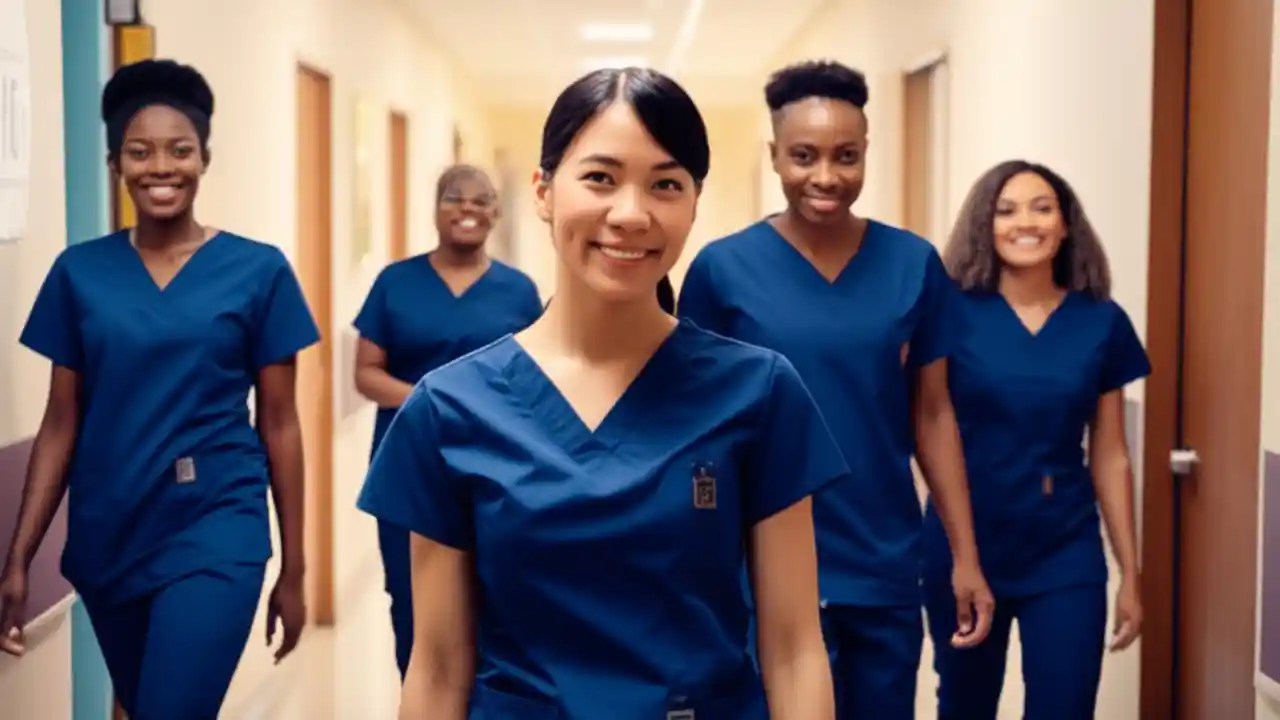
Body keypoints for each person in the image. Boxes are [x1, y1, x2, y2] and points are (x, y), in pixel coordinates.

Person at [357, 66, 843, 720]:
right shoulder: (450, 410)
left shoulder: (759, 393)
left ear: (695, 202)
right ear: (543, 190)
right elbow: (439, 666)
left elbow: (793, 649)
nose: (630, 213)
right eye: (600, 178)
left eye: (665, 184)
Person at [0, 59, 317, 718]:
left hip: (217, 525)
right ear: (116, 163)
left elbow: (280, 424)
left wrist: (295, 565)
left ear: (204, 158)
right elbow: (62, 422)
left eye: (180, 150)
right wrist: (19, 559)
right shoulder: (80, 274)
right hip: (110, 531)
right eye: (139, 152)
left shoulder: (258, 272)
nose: (161, 167)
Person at [678, 59, 994, 718]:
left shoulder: (912, 265)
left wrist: (964, 555)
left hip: (882, 562)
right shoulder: (722, 271)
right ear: (774, 156)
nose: (826, 176)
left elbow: (933, 415)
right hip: (761, 566)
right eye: (804, 155)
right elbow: (690, 426)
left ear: (866, 154)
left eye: (846, 156)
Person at [926, 160, 1147, 719]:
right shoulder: (949, 313)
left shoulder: (1100, 322)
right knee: (966, 707)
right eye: (1006, 210)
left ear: (1066, 224)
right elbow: (928, 424)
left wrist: (1130, 573)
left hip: (1064, 550)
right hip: (964, 547)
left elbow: (1111, 454)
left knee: (1066, 708)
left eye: (1042, 207)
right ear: (985, 224)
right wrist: (963, 559)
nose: (1026, 222)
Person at [353, 164, 542, 679]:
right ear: (435, 208)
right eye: (454, 198)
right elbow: (366, 374)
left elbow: (534, 382)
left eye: (481, 201)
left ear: (496, 214)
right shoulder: (396, 282)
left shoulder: (519, 292)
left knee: (493, 600)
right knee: (412, 602)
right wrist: (433, 400)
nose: (467, 209)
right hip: (407, 465)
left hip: (497, 469)